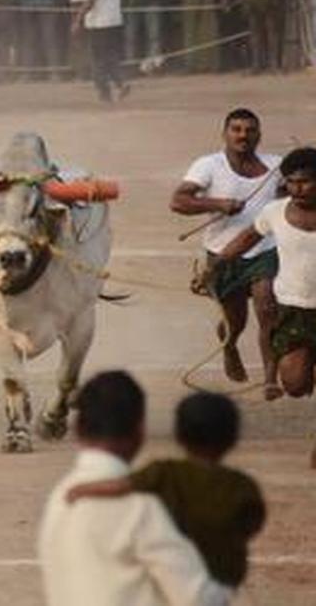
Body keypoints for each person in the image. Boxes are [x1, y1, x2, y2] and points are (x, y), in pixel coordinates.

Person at [37, 371, 233, 605]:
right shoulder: (141, 504)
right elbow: (200, 598)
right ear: (140, 431)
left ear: (77, 429)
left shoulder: (59, 498)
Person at [66, 392, 266, 588]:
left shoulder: (164, 472)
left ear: (179, 436)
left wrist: (81, 490)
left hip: (175, 571)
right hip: (221, 577)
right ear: (233, 439)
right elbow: (252, 524)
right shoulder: (242, 485)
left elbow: (121, 486)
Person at [213, 147, 316, 464]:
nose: (298, 188)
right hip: (292, 308)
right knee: (295, 384)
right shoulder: (274, 212)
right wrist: (216, 264)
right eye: (292, 182)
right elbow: (247, 238)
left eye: (306, 181)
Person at [171, 108, 281, 398]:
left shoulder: (275, 166)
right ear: (225, 134)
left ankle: (271, 379)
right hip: (222, 254)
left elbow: (294, 195)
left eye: (250, 130)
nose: (243, 135)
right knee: (235, 321)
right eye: (237, 129)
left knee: (268, 310)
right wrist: (218, 204)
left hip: (265, 251)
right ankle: (230, 347)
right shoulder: (208, 165)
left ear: (259, 135)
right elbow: (178, 201)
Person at [73, 0, 129, 102]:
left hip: (99, 21)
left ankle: (105, 92)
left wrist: (78, 19)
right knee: (110, 55)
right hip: (114, 19)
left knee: (98, 59)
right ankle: (120, 83)